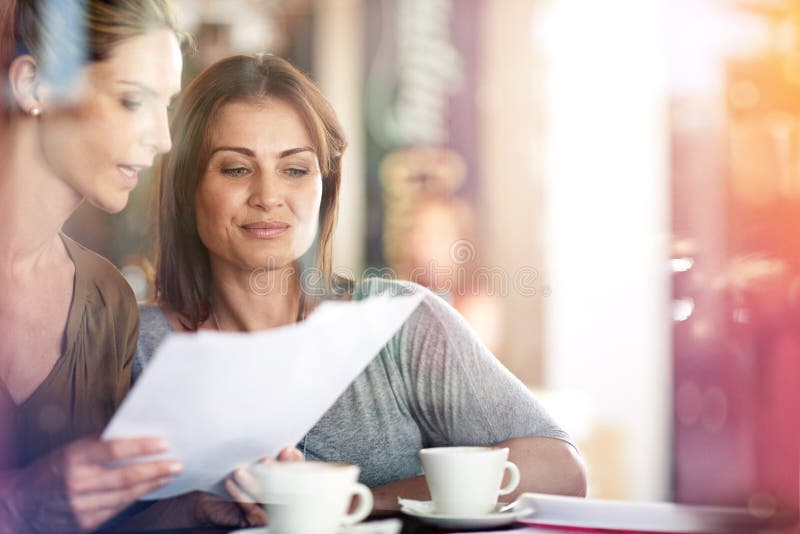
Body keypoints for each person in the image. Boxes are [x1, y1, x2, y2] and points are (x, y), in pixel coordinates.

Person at [135, 53, 587, 526]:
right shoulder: (133, 344)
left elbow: (558, 467)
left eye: (295, 170)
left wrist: (353, 502)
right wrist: (191, 511)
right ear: (186, 185)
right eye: (235, 168)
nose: (268, 196)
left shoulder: (398, 323)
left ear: (324, 188)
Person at [0, 1, 189, 531]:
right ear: (35, 87)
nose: (163, 138)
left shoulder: (108, 302)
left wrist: (199, 505)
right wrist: (19, 503)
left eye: (166, 106)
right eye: (134, 100)